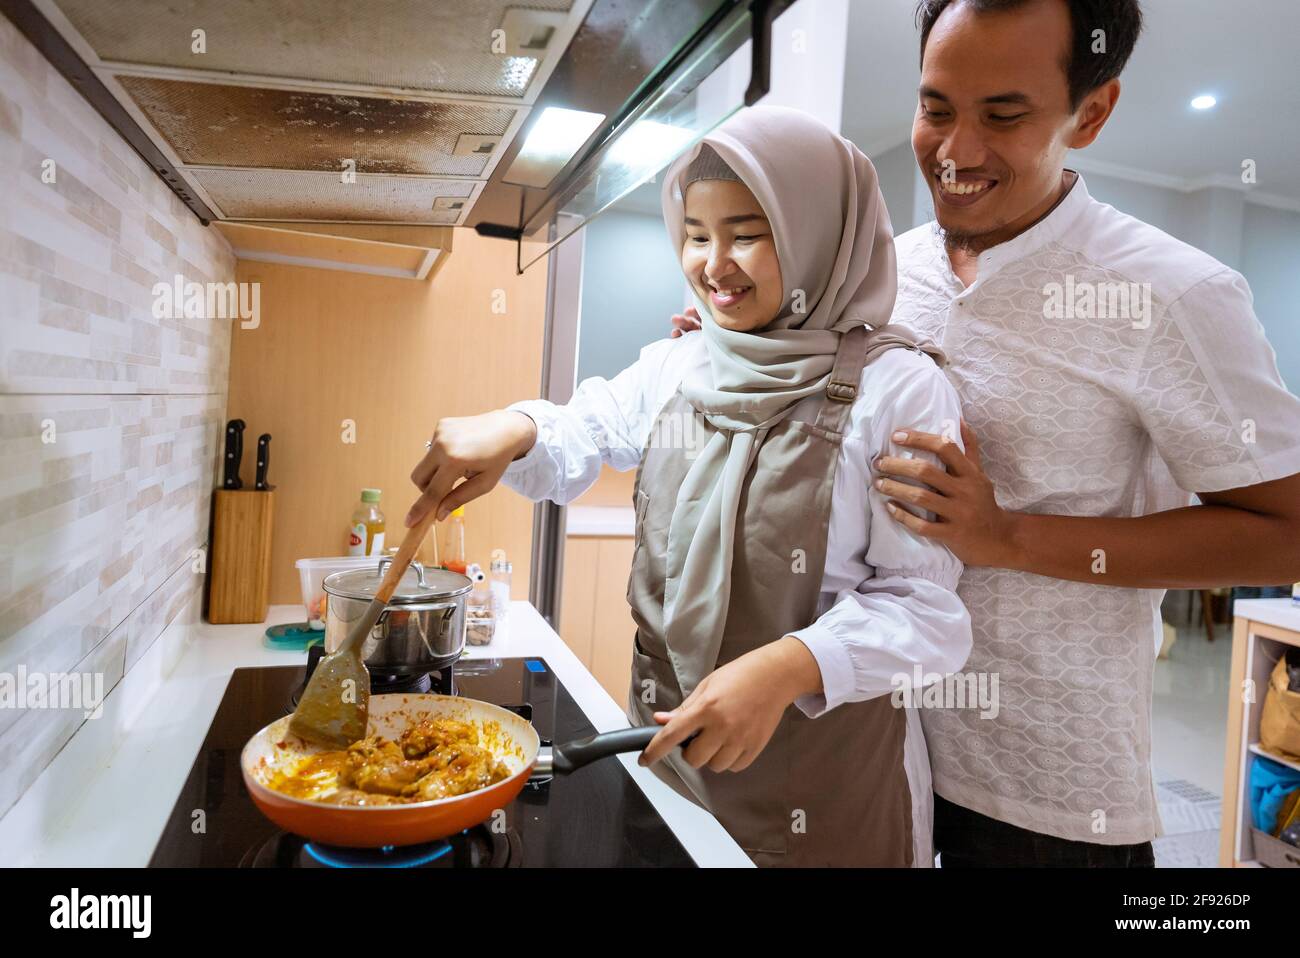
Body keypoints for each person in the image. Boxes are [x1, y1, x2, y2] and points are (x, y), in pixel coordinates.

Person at [672, 0, 1300, 867]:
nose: (955, 151)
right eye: (936, 109)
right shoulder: (882, 270)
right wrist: (737, 341)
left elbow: (1286, 538)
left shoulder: (1173, 295)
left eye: (1003, 115)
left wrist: (1009, 536)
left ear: (1093, 110)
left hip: (1042, 797)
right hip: (863, 749)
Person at [407, 105, 972, 866]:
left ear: (816, 234)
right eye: (696, 235)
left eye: (746, 233)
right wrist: (516, 429)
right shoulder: (685, 360)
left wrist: (790, 665)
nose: (713, 262)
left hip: (818, 782)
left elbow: (928, 613)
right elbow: (588, 428)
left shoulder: (897, 388)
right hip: (666, 756)